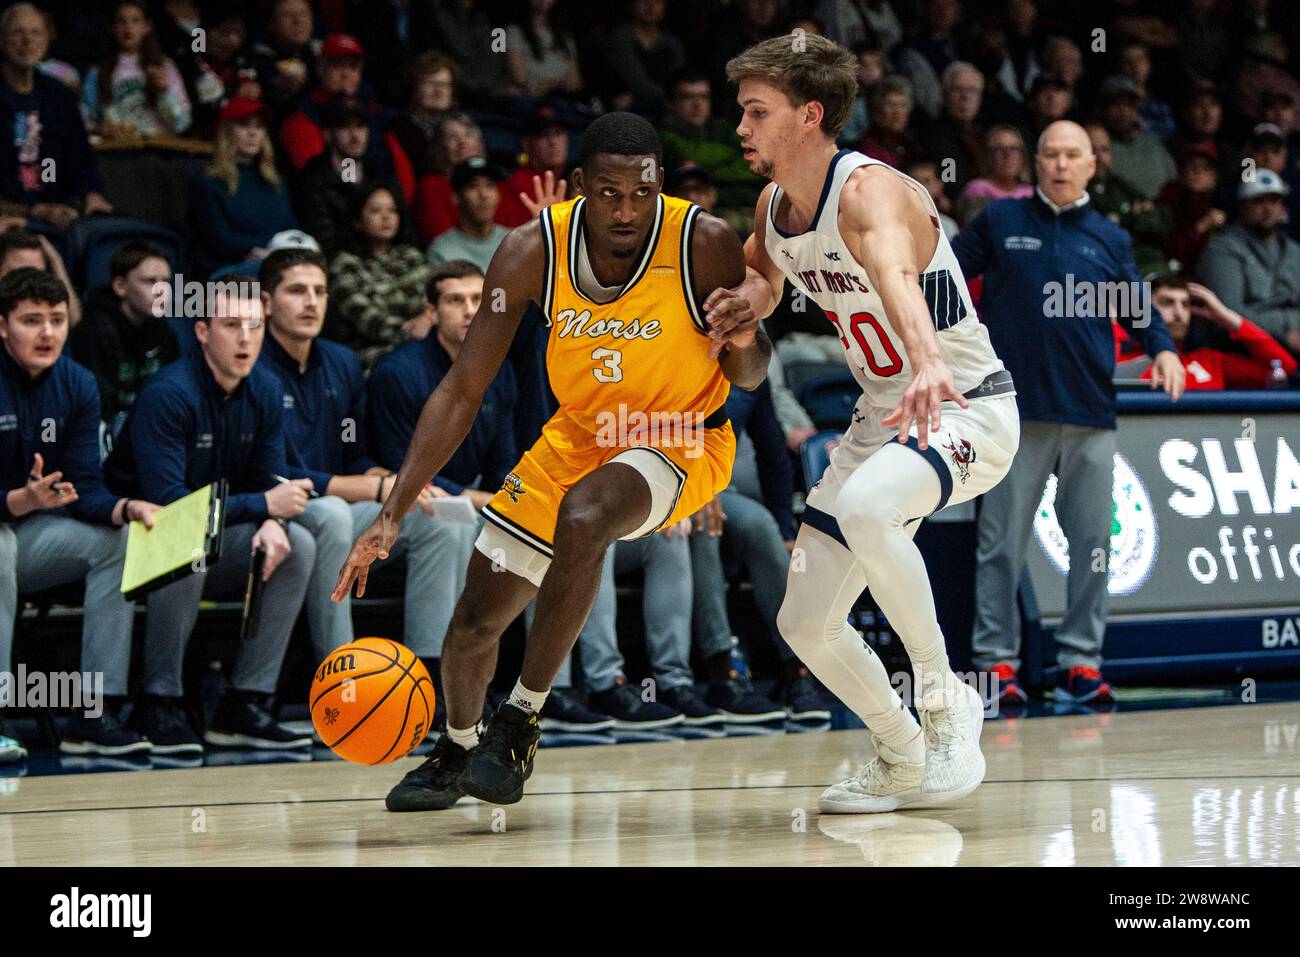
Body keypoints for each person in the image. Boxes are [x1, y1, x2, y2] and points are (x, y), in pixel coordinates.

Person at [334, 112, 768, 811]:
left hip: (682, 433)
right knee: (475, 620)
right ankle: (456, 745)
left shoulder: (703, 241)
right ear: (576, 188)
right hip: (578, 435)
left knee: (586, 512)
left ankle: (522, 719)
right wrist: (390, 511)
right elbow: (461, 386)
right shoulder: (529, 249)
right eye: (607, 193)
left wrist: (743, 337)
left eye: (643, 192)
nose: (627, 210)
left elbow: (752, 373)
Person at [725, 33, 1021, 814]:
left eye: (757, 112)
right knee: (804, 620)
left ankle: (945, 696)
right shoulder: (774, 206)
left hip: (963, 400)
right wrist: (740, 307)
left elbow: (895, 278)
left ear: (809, 114)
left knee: (864, 508)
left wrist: (925, 362)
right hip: (880, 414)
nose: (741, 128)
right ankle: (898, 747)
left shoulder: (870, 194)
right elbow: (765, 276)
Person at [955, 120, 1185, 711]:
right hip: (1013, 412)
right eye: (1050, 155)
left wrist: (1162, 347)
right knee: (999, 543)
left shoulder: (1109, 237)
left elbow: (1136, 305)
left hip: (1089, 412)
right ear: (1036, 163)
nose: (1059, 164)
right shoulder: (1002, 221)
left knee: (1093, 546)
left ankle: (1082, 662)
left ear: (1091, 165)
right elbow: (944, 276)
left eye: (1071, 155)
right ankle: (994, 662)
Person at [104, 285, 315, 754]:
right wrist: (262, 507)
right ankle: (160, 702)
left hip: (211, 530)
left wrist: (273, 523)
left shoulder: (263, 388)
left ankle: (243, 701)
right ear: (201, 331)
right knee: (190, 542)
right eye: (231, 326)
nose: (246, 340)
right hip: (135, 540)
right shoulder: (169, 394)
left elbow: (270, 479)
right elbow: (172, 506)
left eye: (255, 327)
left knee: (299, 546)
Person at [256, 249, 477, 690]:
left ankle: (432, 676)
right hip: (279, 507)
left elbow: (354, 451)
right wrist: (373, 488)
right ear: (265, 302)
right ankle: (341, 681)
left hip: (342, 501)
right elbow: (272, 471)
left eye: (319, 291)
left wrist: (384, 480)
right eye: (297, 291)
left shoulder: (340, 363)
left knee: (443, 518)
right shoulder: (252, 366)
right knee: (335, 516)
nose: (311, 302)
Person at [1, 268, 160, 759]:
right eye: (31, 320)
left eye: (56, 319)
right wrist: (16, 502)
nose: (47, 333)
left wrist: (125, 507)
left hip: (33, 536)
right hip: (5, 530)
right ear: (2, 326)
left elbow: (85, 486)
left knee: (116, 542)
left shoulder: (77, 383)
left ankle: (93, 713)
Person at [0, 2, 113, 229]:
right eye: (17, 33)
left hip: (60, 211)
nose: (27, 40)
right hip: (11, 214)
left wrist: (92, 193)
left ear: (46, 40)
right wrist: (33, 210)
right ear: (2, 41)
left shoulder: (60, 97)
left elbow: (82, 159)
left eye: (35, 33)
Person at [1117, 275, 1296, 389]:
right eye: (1167, 303)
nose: (1179, 313)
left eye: (1185, 305)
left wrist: (1228, 318)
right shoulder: (1120, 361)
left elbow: (1282, 368)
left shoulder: (1209, 361)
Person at [68, 240, 178, 421]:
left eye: (166, 281)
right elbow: (98, 405)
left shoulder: (164, 329)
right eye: (149, 281)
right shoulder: (94, 331)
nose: (161, 291)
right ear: (120, 286)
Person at [190, 97, 297, 275]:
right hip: (225, 272)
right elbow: (219, 242)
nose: (253, 133)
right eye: (244, 125)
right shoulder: (208, 182)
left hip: (274, 263)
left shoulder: (276, 182)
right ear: (227, 131)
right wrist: (272, 252)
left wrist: (272, 254)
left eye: (259, 127)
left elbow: (291, 231)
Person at [1198, 170, 1300, 356]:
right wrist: (1284, 333)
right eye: (1259, 201)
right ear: (1242, 206)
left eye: (1274, 201)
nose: (1268, 209)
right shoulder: (1222, 249)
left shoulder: (1294, 251)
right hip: (1244, 348)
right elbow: (1226, 314)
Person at [328, 183, 430, 369]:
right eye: (376, 210)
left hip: (425, 343)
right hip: (375, 355)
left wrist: (429, 319)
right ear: (357, 220)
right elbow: (369, 320)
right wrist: (416, 329)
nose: (386, 217)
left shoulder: (412, 256)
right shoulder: (344, 265)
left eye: (392, 210)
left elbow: (436, 301)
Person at [83, 1, 192, 139]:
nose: (128, 27)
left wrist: (164, 92)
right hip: (118, 152)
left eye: (135, 21)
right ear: (113, 27)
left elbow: (182, 123)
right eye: (121, 21)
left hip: (159, 151)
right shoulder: (98, 72)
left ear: (147, 27)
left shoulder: (164, 66)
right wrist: (100, 129)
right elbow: (86, 120)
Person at [426, 158, 510, 270]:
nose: (483, 195)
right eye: (473, 186)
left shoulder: (514, 241)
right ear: (456, 197)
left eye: (489, 185)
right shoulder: (442, 251)